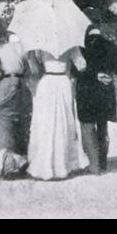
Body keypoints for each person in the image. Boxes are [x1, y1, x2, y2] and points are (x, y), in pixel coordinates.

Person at [26, 44, 87, 181]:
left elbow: (35, 70)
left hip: (47, 83)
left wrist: (31, 57)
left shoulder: (41, 43)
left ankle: (42, 165)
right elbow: (82, 65)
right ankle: (62, 165)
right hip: (62, 82)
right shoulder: (70, 43)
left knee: (45, 123)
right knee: (63, 121)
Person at [0, 31, 32, 178]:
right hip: (22, 86)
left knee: (2, 119)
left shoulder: (1, 50)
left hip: (6, 83)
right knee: (22, 121)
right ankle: (20, 160)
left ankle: (5, 160)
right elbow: (30, 71)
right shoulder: (25, 49)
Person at [75, 26, 117, 175]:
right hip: (105, 93)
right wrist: (105, 73)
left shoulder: (80, 47)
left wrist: (94, 73)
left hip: (86, 92)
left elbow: (75, 71)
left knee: (87, 127)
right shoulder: (111, 46)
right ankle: (102, 162)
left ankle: (94, 165)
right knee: (102, 127)